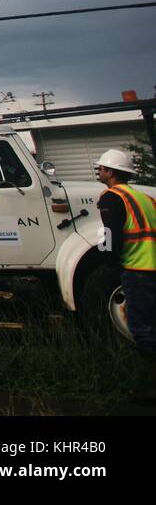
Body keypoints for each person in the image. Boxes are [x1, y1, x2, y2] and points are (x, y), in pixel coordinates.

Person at [95, 148, 156, 378]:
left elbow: (109, 235)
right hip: (152, 266)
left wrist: (107, 261)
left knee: (143, 330)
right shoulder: (145, 198)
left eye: (101, 168)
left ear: (110, 172)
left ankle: (150, 385)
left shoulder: (111, 198)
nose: (98, 172)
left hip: (137, 269)